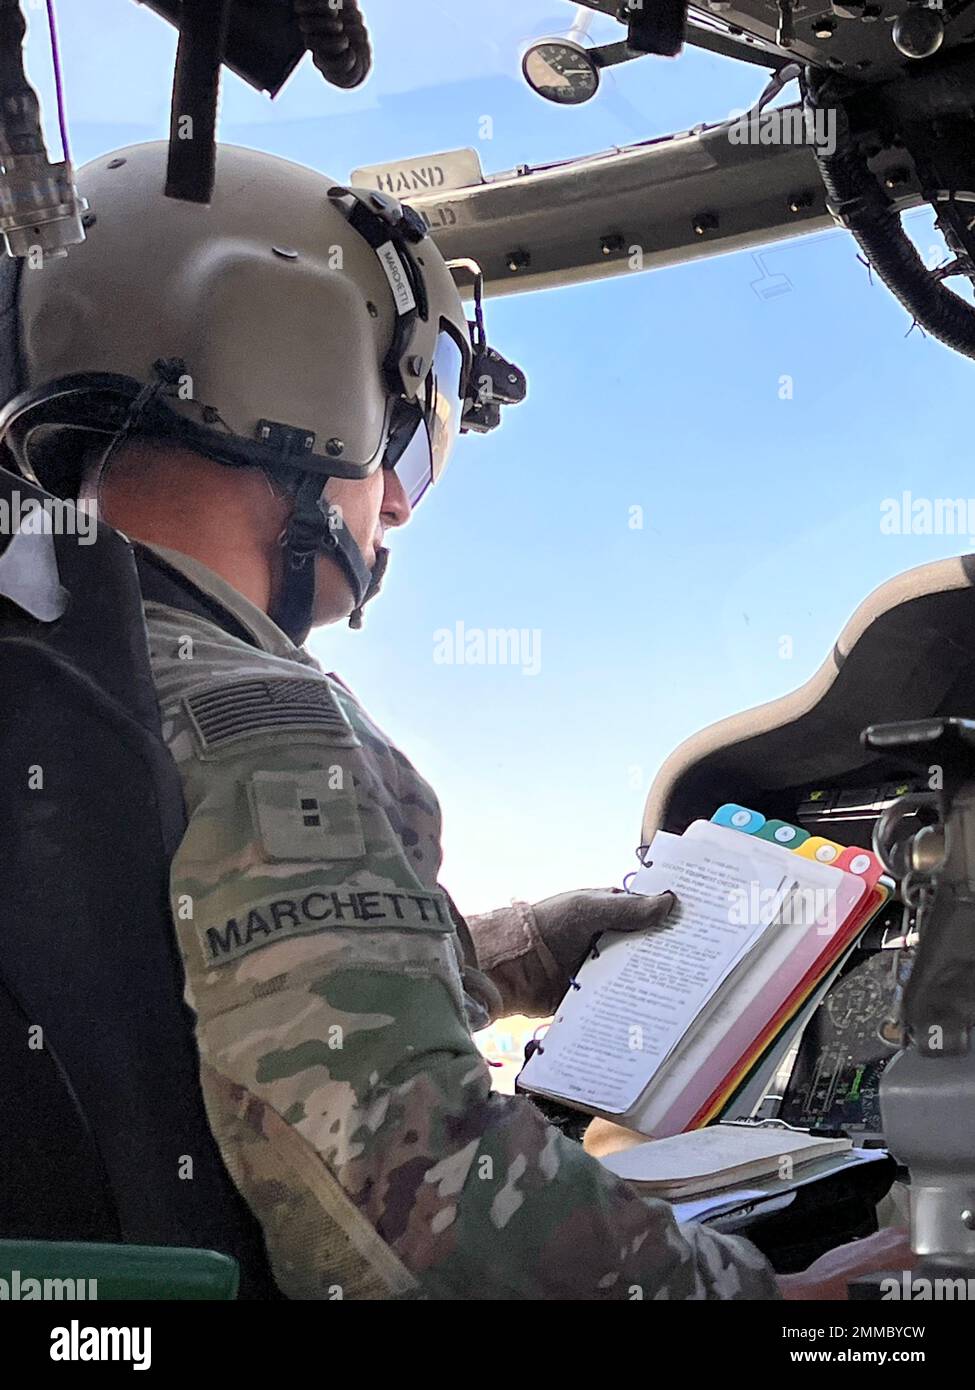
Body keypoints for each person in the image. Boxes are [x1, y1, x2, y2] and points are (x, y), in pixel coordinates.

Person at [0, 139, 910, 1300]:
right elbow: (421, 1200)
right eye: (409, 446)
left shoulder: (76, 671)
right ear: (301, 376)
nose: (393, 506)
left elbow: (144, 981)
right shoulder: (261, 719)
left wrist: (517, 951)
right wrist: (770, 1300)